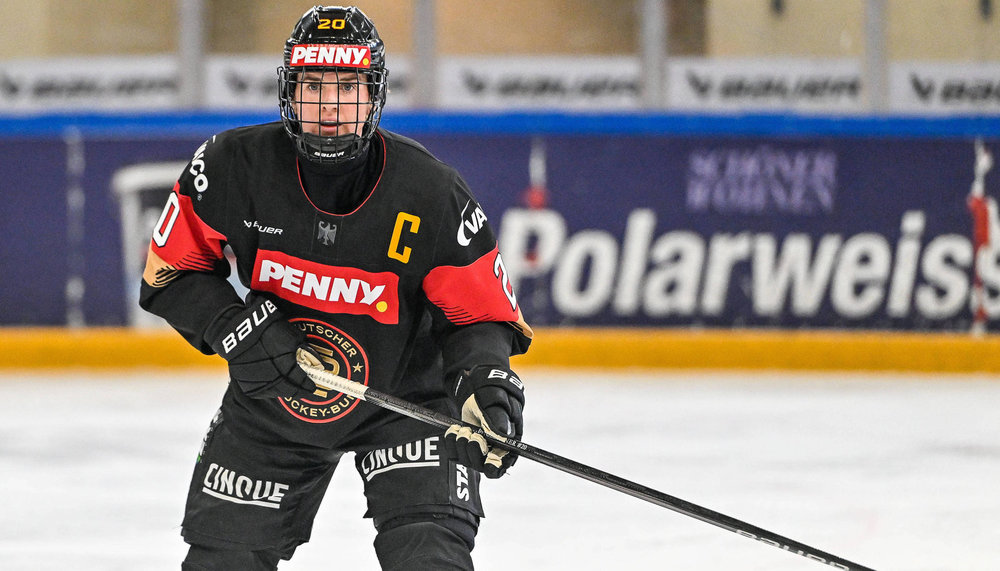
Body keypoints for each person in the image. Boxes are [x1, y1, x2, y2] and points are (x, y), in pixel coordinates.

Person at [139, 5, 532, 570]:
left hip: (408, 405)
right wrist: (235, 329)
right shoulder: (229, 166)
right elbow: (169, 274)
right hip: (276, 396)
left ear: (374, 98)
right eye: (312, 86)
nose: (328, 107)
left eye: (347, 88)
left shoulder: (430, 192)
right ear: (286, 94)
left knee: (429, 559)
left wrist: (485, 381)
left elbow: (477, 314)